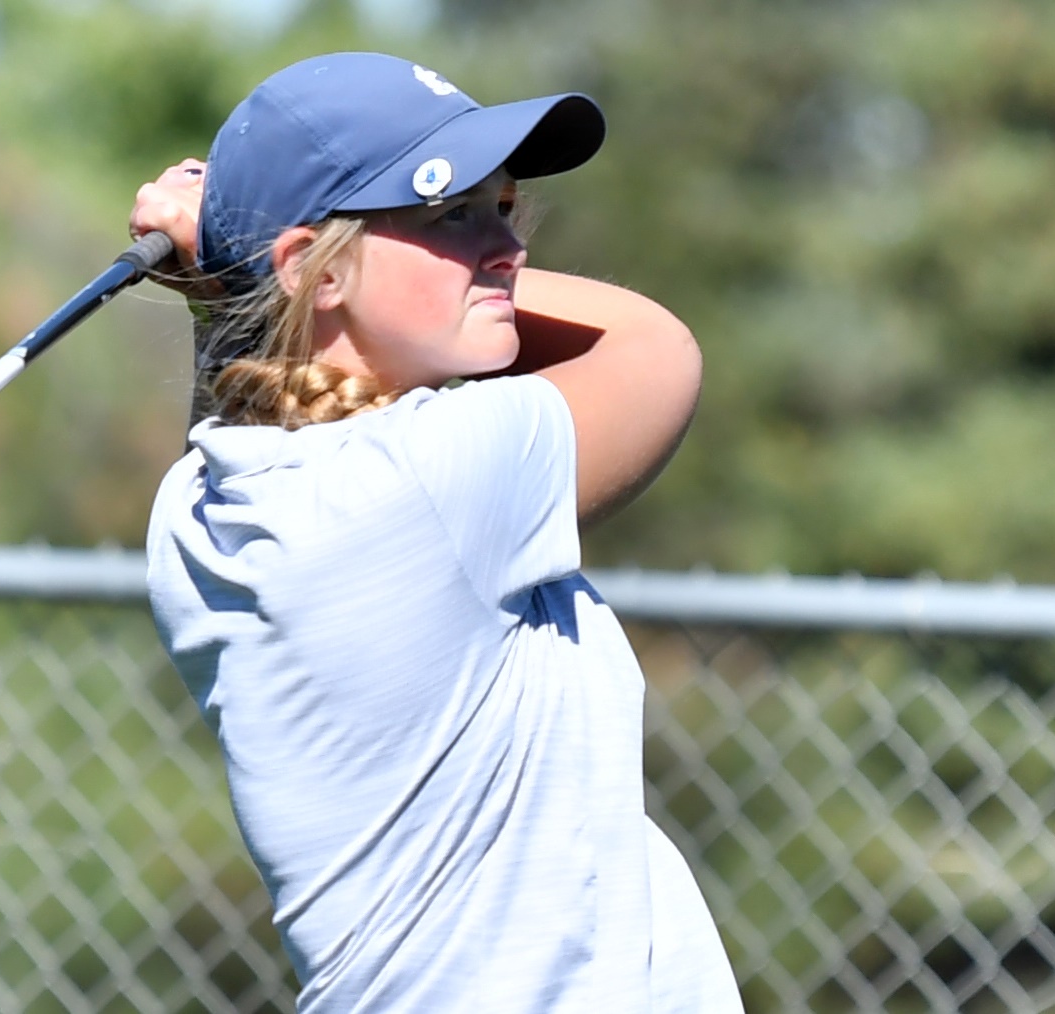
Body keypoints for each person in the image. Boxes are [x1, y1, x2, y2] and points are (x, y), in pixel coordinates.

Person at [132, 52, 743, 1011]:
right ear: (313, 270)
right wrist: (234, 265)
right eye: (447, 213)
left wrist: (238, 269)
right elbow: (652, 351)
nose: (504, 247)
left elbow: (258, 381)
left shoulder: (199, 505)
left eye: (501, 208)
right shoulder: (430, 478)